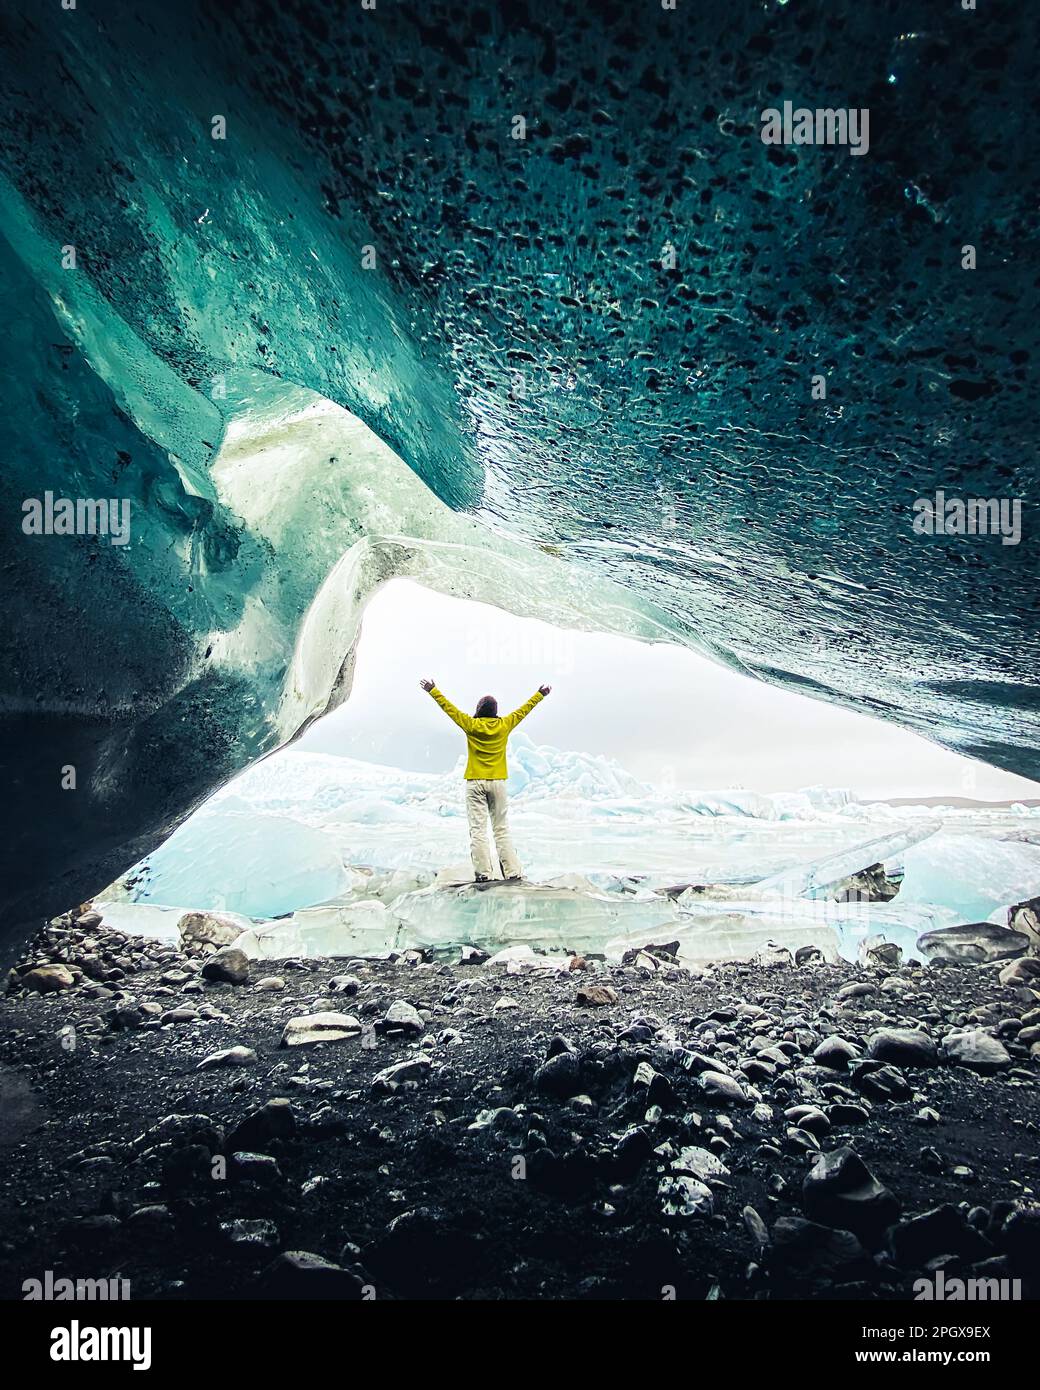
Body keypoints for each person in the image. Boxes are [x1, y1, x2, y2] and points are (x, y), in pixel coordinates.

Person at [420, 678, 551, 882]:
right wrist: (540, 695)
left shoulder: (471, 725)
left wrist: (433, 690)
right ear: (495, 710)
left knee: (478, 830)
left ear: (479, 709)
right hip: (498, 782)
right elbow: (525, 710)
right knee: (501, 828)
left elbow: (450, 709)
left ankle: (483, 874)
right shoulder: (504, 724)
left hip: (475, 782)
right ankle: (513, 872)